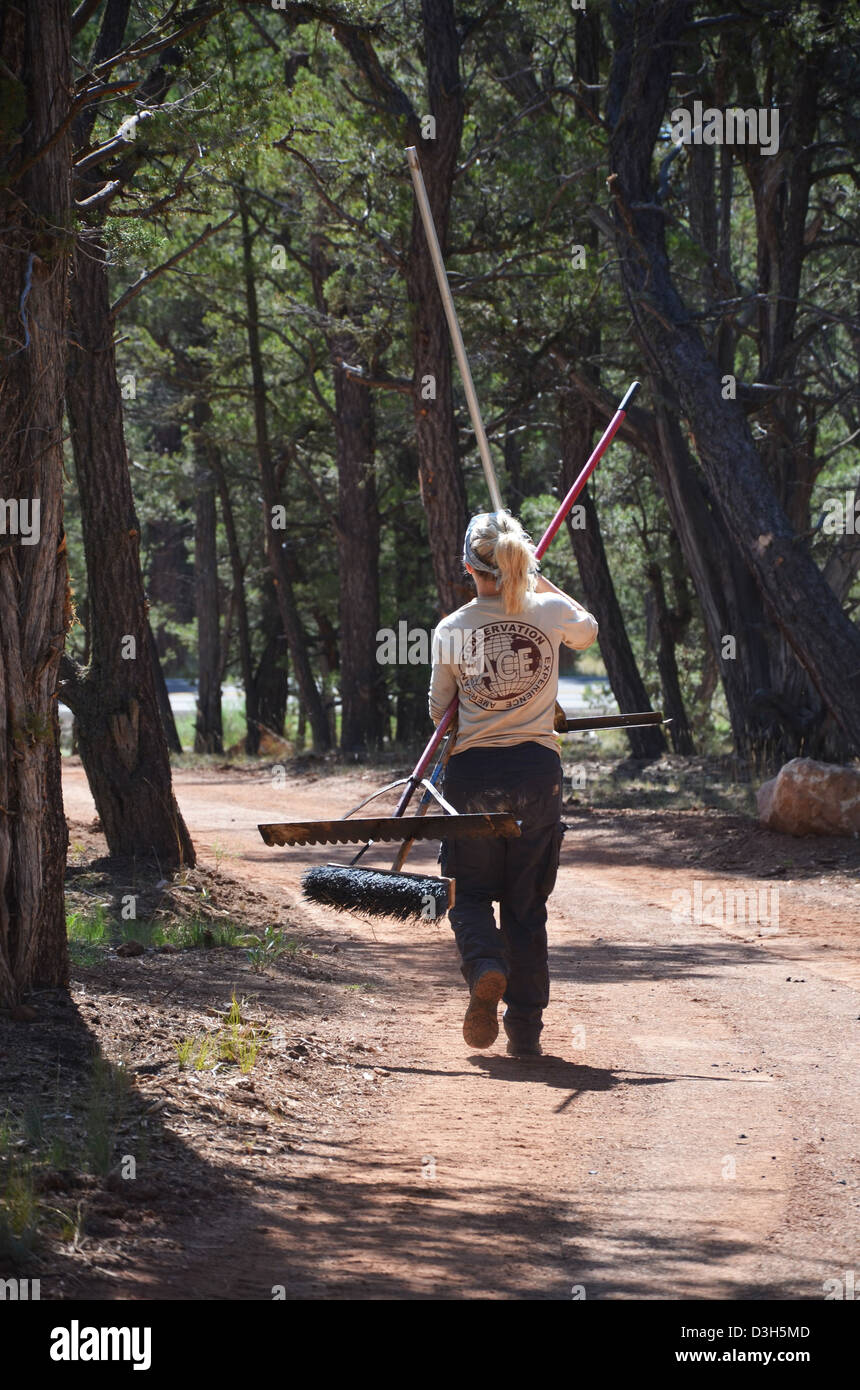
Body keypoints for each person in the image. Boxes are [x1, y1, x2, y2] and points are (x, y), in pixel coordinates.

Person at [428, 510, 598, 1058]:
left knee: (470, 894)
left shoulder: (452, 629)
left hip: (473, 775)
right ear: (521, 561)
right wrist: (538, 579)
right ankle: (525, 1029)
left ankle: (485, 967)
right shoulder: (546, 610)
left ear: (467, 569)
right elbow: (588, 632)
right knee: (526, 905)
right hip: (536, 773)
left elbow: (439, 714)